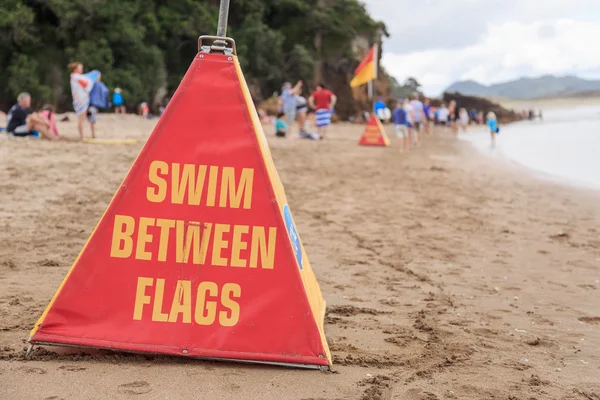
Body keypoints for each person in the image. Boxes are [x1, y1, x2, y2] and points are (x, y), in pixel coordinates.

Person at [69, 62, 101, 139]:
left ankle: (92, 134)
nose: (81, 69)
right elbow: (87, 82)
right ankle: (81, 136)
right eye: (80, 68)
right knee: (81, 118)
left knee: (90, 116)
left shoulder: (78, 77)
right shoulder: (75, 77)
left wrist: (94, 74)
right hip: (80, 100)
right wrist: (94, 75)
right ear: (75, 69)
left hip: (85, 99)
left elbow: (86, 78)